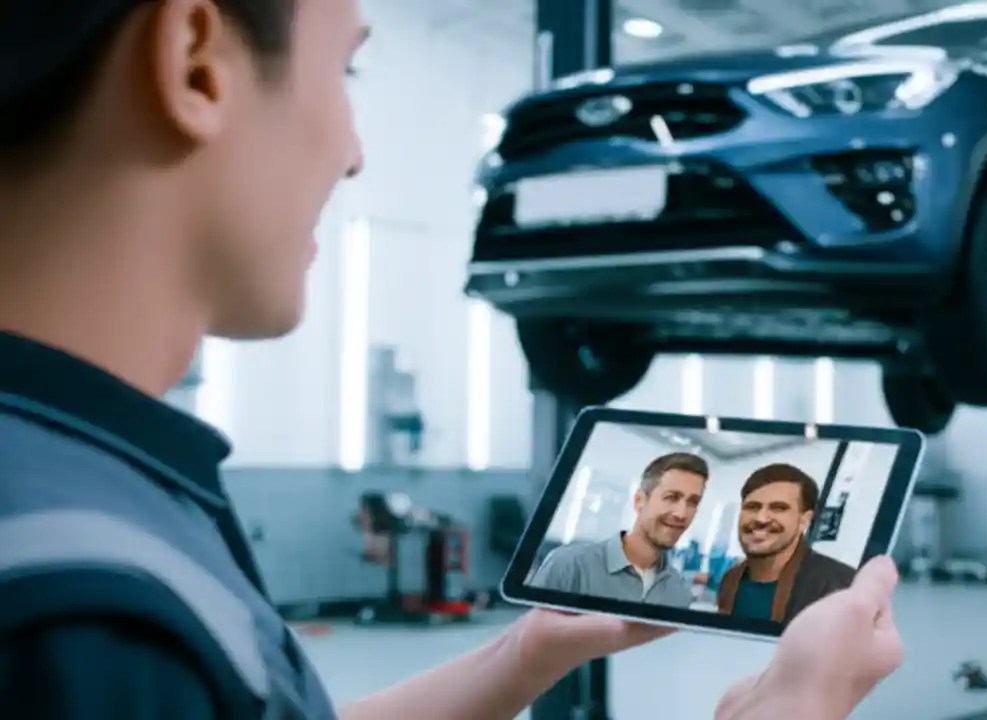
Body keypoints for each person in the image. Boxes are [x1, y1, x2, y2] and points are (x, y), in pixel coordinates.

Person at [0, 1, 903, 718]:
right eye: (345, 69)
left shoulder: (73, 492)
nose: (354, 156)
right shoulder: (94, 616)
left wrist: (523, 654)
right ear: (196, 59)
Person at [530, 452, 708, 607]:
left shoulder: (678, 592)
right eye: (671, 497)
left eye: (693, 502)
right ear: (639, 500)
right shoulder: (569, 566)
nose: (682, 513)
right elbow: (525, 639)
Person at [717, 464, 857, 624]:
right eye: (752, 507)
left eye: (778, 508)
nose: (761, 518)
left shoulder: (841, 586)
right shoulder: (730, 579)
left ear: (804, 520)